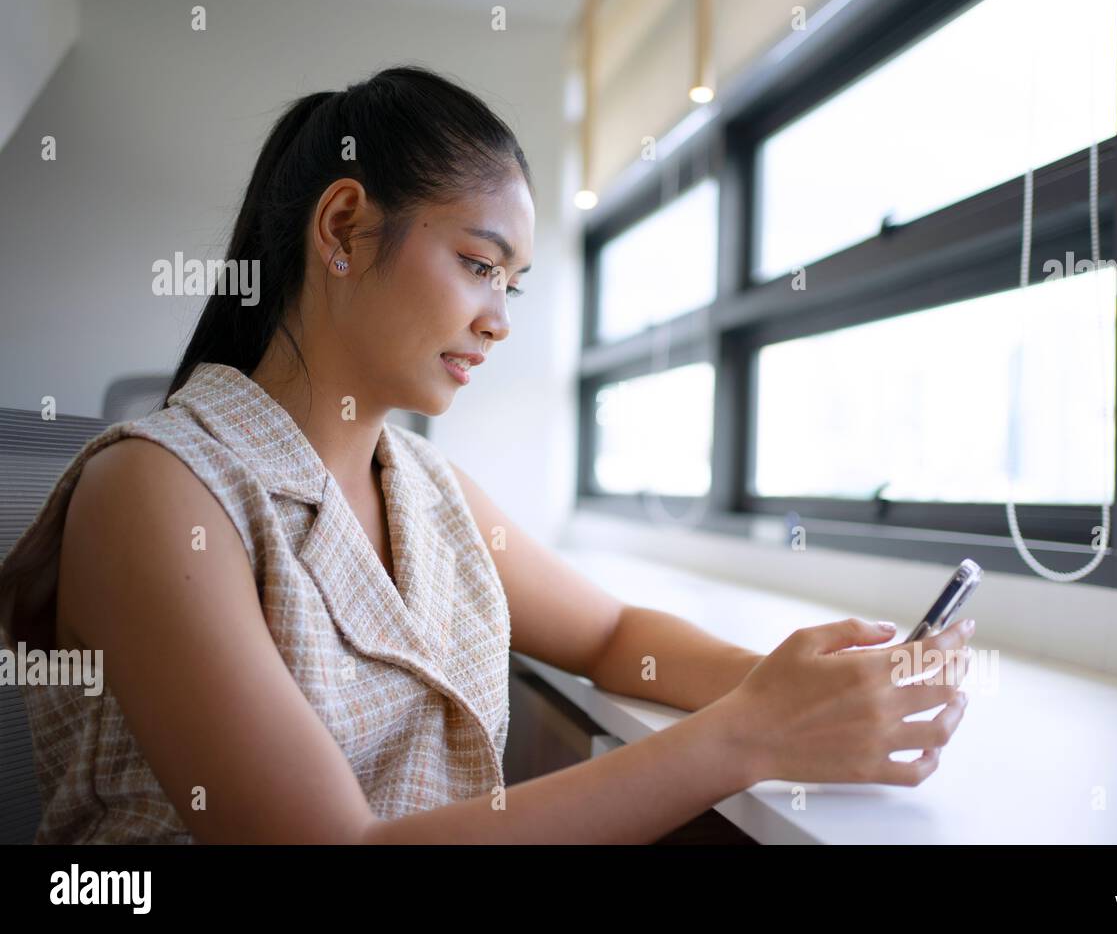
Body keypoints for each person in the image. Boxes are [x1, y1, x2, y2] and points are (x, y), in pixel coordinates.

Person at [0, 65, 973, 844]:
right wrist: (753, 731)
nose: (500, 320)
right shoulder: (155, 490)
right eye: (478, 263)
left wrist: (802, 683)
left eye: (513, 282)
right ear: (342, 227)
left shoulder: (427, 486)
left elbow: (608, 634)